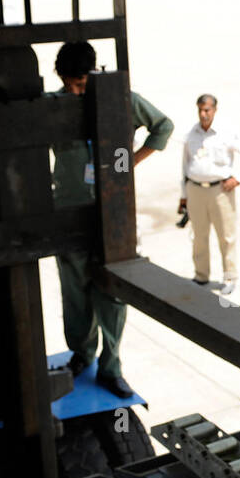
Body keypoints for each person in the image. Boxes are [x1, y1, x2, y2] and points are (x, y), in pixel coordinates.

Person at [51, 41, 173, 398]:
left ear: (94, 74)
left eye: (81, 84)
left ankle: (110, 366)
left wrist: (131, 162)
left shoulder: (120, 101)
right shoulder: (54, 106)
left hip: (111, 214)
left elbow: (163, 126)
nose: (75, 92)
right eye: (70, 84)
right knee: (74, 293)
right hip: (69, 213)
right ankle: (82, 354)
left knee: (113, 295)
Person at [180, 94, 240, 295]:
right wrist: (183, 195)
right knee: (199, 236)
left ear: (214, 110)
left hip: (220, 191)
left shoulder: (226, 133)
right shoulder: (191, 134)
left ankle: (229, 277)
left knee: (226, 236)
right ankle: (201, 276)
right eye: (201, 110)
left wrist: (238, 178)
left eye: (207, 110)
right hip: (195, 190)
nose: (203, 114)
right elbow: (184, 166)